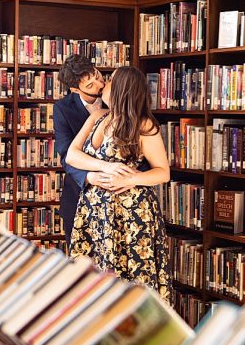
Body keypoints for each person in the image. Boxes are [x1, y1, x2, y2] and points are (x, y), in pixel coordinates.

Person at [64, 66, 171, 302]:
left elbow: (163, 173)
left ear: (122, 88)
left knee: (129, 277)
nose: (104, 84)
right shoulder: (97, 117)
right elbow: (71, 155)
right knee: (92, 277)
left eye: (110, 80)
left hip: (128, 215)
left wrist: (132, 178)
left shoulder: (143, 126)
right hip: (94, 214)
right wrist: (105, 167)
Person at [54, 54, 115, 245]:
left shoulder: (116, 95)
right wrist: (89, 177)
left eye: (97, 75)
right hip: (78, 195)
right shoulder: (62, 108)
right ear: (74, 89)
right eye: (90, 85)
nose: (99, 84)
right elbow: (66, 155)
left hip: (115, 196)